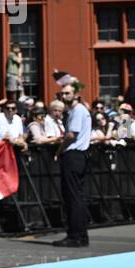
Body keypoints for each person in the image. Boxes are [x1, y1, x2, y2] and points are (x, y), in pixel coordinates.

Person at [54, 80, 92, 247]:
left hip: (73, 155)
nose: (64, 95)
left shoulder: (77, 110)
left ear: (76, 95)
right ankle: (81, 235)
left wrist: (59, 150)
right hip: (79, 156)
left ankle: (75, 235)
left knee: (73, 197)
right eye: (62, 93)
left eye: (67, 93)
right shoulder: (77, 111)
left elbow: (71, 135)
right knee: (77, 197)